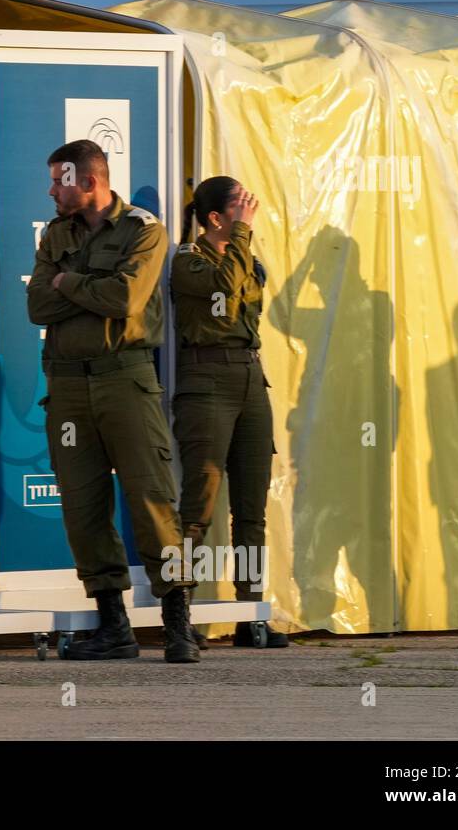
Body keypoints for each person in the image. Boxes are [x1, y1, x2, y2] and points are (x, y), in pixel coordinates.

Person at [27, 139, 198, 663]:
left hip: (125, 379)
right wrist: (86, 288)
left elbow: (127, 299)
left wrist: (68, 282)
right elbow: (37, 304)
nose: (53, 190)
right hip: (68, 386)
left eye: (61, 180)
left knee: (151, 500)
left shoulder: (143, 229)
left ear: (90, 181)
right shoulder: (56, 233)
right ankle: (113, 627)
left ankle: (177, 625)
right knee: (83, 506)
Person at [170, 176, 286, 647]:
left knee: (252, 510)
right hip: (206, 379)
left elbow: (247, 287)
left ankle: (251, 610)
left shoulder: (247, 257)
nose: (249, 212)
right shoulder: (186, 260)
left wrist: (240, 241)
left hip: (249, 378)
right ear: (215, 218)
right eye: (239, 206)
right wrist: (240, 234)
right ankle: (181, 610)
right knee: (197, 508)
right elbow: (223, 292)